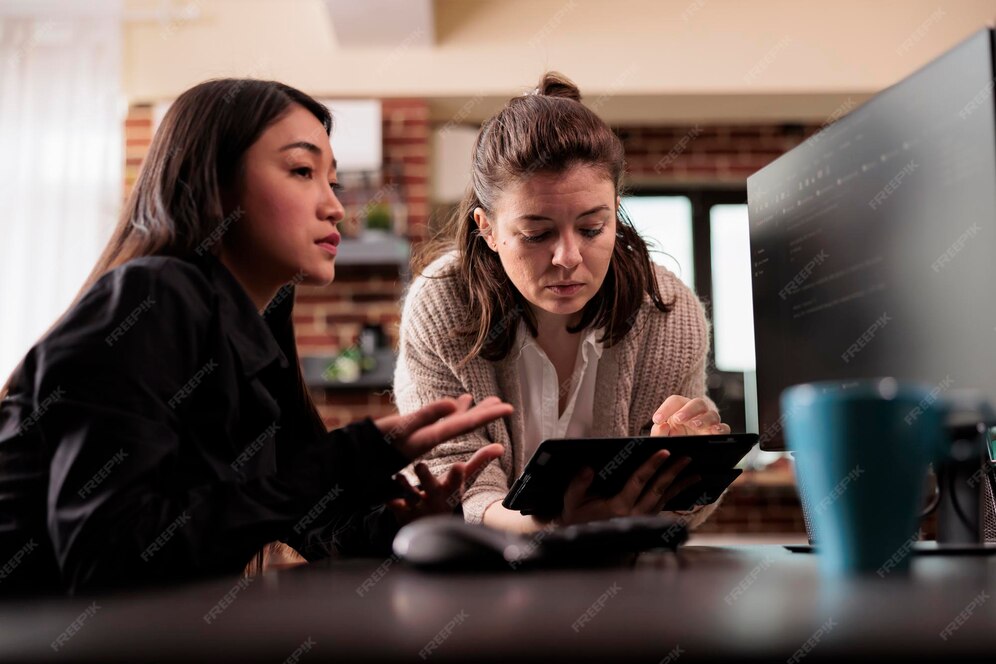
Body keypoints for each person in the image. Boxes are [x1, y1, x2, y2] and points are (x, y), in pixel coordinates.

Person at [0, 78, 511, 595]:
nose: (335, 206)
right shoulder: (153, 296)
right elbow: (108, 564)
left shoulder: (249, 330)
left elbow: (298, 525)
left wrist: (400, 524)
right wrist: (349, 457)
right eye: (302, 171)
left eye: (332, 181)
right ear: (214, 183)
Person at [394, 72, 731, 533]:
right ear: (487, 229)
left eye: (592, 228)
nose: (568, 257)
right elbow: (450, 476)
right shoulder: (442, 304)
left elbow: (673, 512)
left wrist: (692, 459)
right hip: (481, 569)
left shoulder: (667, 310)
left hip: (624, 568)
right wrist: (554, 526)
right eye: (537, 234)